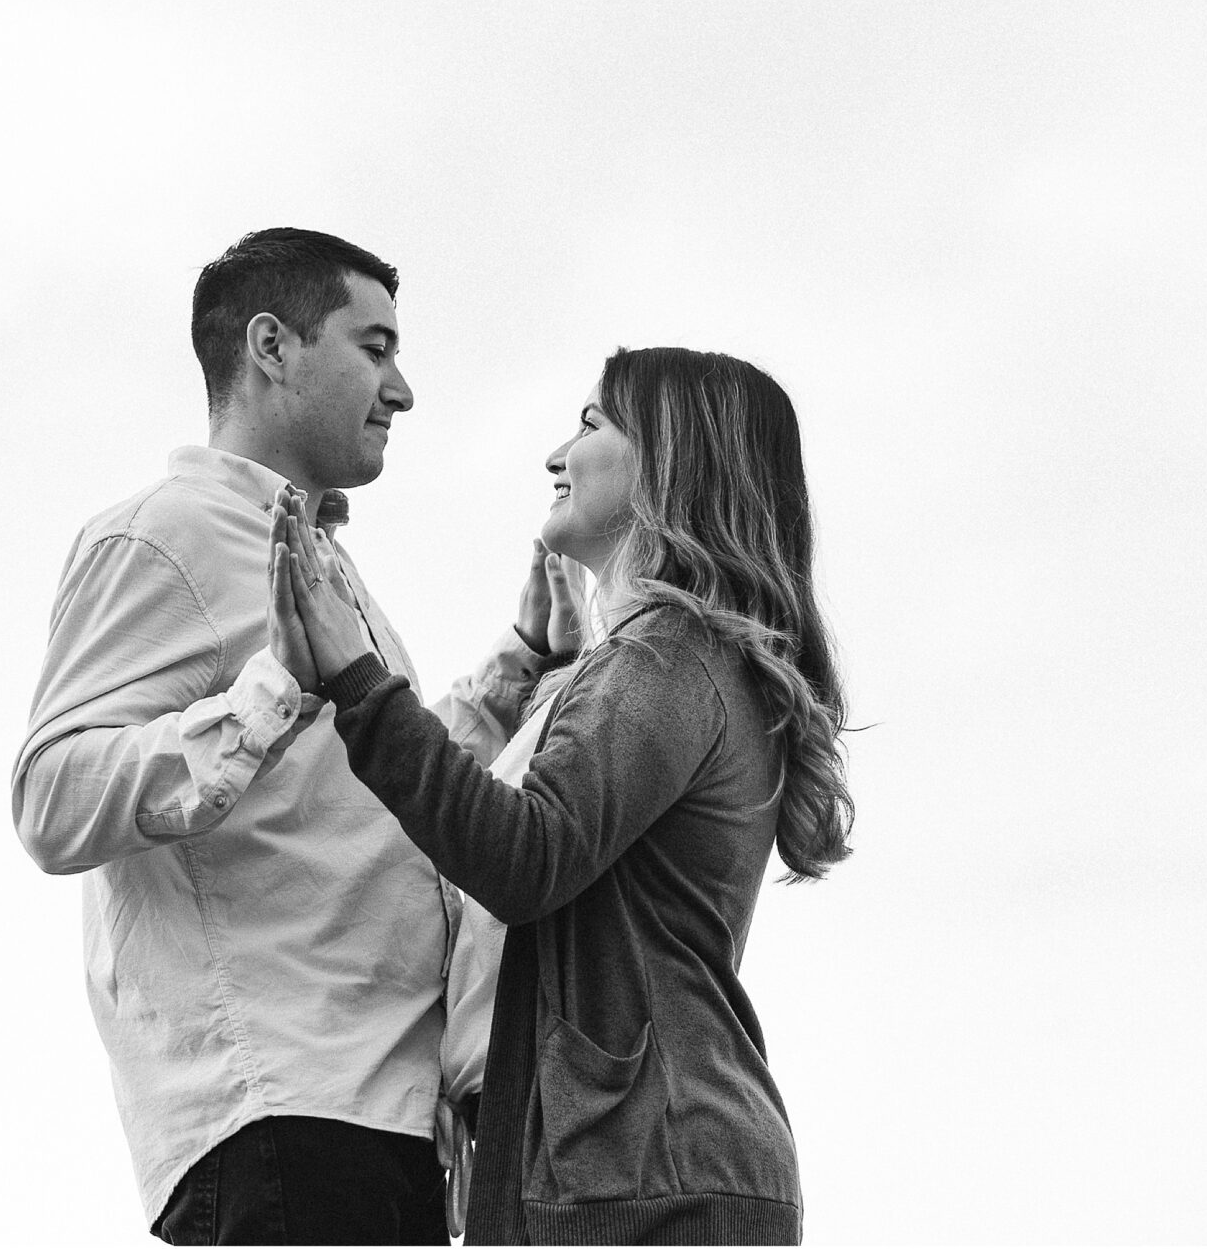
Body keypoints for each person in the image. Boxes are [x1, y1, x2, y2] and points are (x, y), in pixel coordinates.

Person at [11, 227, 577, 1244]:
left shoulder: (310, 558)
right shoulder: (163, 532)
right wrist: (269, 690)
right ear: (272, 345)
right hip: (284, 1121)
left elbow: (359, 799)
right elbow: (51, 796)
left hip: (386, 1131)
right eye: (374, 346)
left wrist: (522, 655)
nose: (401, 387)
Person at [268, 346, 855, 1246]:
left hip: (648, 1180)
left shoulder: (671, 655)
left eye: (589, 425)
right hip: (614, 1173)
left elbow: (523, 854)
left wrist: (357, 678)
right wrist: (550, 667)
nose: (556, 455)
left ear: (669, 457)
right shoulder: (648, 665)